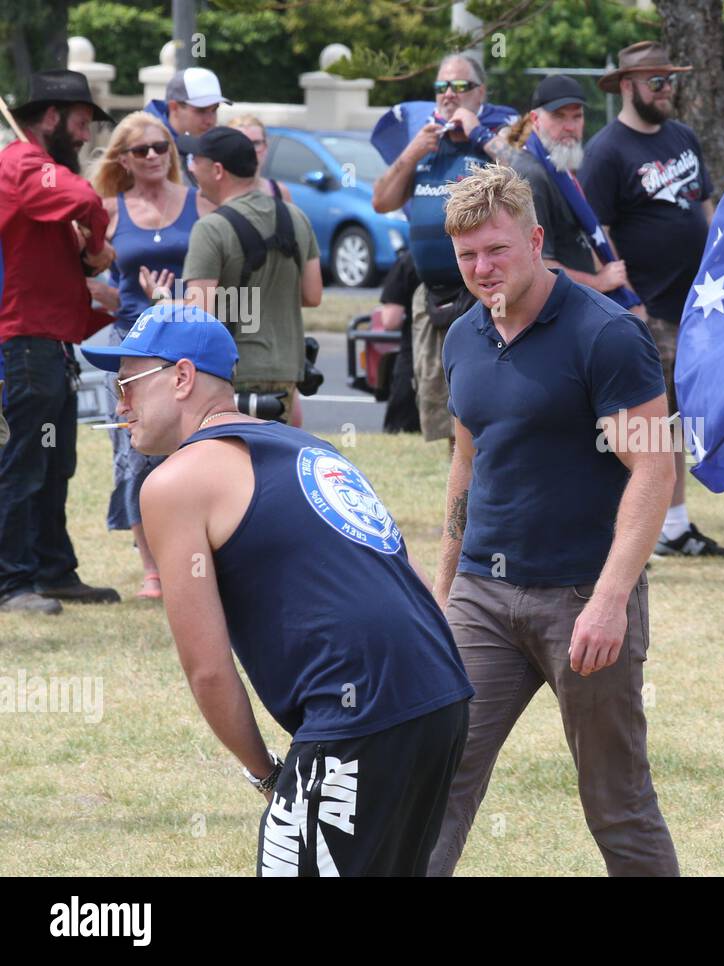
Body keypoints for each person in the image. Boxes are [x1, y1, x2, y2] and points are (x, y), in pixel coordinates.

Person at [80, 305, 473, 875]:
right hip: (440, 695)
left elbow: (207, 669)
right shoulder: (309, 449)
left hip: (360, 712)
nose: (119, 403)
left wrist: (268, 775)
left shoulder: (174, 483)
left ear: (183, 378)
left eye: (128, 383)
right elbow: (397, 568)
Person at [429, 165, 678, 876]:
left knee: (616, 800)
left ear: (536, 239)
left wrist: (609, 601)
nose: (482, 268)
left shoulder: (604, 335)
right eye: (468, 255)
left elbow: (654, 469)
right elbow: (467, 463)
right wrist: (446, 589)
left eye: (496, 250)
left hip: (580, 598)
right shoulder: (464, 337)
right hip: (482, 596)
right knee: (434, 778)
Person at [581, 40, 724, 559]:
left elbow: (705, 208)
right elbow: (596, 233)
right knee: (650, 423)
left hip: (697, 306)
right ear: (628, 85)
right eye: (657, 81)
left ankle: (676, 525)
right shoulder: (606, 150)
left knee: (682, 420)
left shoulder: (683, 136)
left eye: (671, 80)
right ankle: (642, 525)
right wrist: (626, 301)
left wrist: (723, 271)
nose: (668, 90)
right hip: (646, 309)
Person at [0, 69, 120, 615]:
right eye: (78, 124)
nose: (85, 137)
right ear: (49, 117)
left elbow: (59, 290)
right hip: (23, 347)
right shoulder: (23, 163)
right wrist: (97, 244)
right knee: (26, 464)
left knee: (52, 464)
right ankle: (13, 583)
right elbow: (81, 195)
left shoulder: (35, 175)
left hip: (44, 347)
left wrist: (90, 277)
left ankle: (51, 570)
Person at [90, 111, 215, 599]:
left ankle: (195, 551)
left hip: (186, 342)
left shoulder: (199, 203)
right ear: (123, 158)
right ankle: (152, 567)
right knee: (135, 452)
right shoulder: (110, 209)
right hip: (130, 348)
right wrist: (104, 294)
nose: (152, 157)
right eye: (140, 150)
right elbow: (83, 265)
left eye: (160, 147)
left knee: (191, 447)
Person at [371, 54, 517, 446]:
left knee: (480, 400)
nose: (449, 94)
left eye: (460, 86)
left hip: (481, 293)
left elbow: (529, 172)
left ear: (481, 92)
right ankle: (457, 490)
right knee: (439, 407)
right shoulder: (425, 143)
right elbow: (381, 201)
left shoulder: (493, 138)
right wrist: (412, 154)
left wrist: (481, 135)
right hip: (430, 293)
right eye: (441, 87)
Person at [179, 126, 322, 427]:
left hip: (232, 375)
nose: (191, 169)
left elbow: (198, 315)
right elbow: (312, 295)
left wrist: (164, 301)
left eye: (196, 161)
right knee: (271, 465)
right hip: (287, 372)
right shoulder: (296, 217)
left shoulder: (211, 228)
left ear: (217, 170)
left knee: (233, 465)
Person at [497, 75, 632, 293]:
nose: (570, 126)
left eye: (577, 116)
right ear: (535, 119)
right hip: (552, 312)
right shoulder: (531, 175)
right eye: (558, 117)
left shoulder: (559, 164)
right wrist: (599, 283)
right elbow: (538, 264)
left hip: (570, 303)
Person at [144, 66, 229, 185]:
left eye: (214, 110)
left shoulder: (201, 140)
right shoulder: (142, 144)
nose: (210, 120)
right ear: (174, 107)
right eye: (201, 110)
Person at [375, 249, 422, 434]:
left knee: (402, 427)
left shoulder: (409, 260)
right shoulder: (466, 257)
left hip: (414, 356)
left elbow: (390, 320)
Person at [228, 114, 293, 203]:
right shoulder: (215, 193)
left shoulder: (280, 192)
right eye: (242, 144)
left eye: (256, 143)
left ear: (265, 146)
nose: (250, 150)